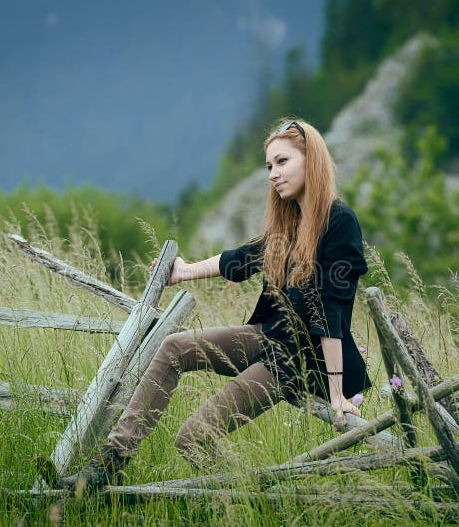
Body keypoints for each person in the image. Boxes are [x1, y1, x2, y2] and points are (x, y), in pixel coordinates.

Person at [57, 118, 371, 490]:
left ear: (311, 160)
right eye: (269, 165)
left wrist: (336, 395)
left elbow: (330, 312)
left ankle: (253, 501)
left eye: (283, 161)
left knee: (192, 437)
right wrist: (183, 271)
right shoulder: (291, 220)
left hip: (299, 360)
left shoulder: (339, 221)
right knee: (173, 347)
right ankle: (109, 463)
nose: (273, 174)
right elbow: (241, 259)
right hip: (269, 336)